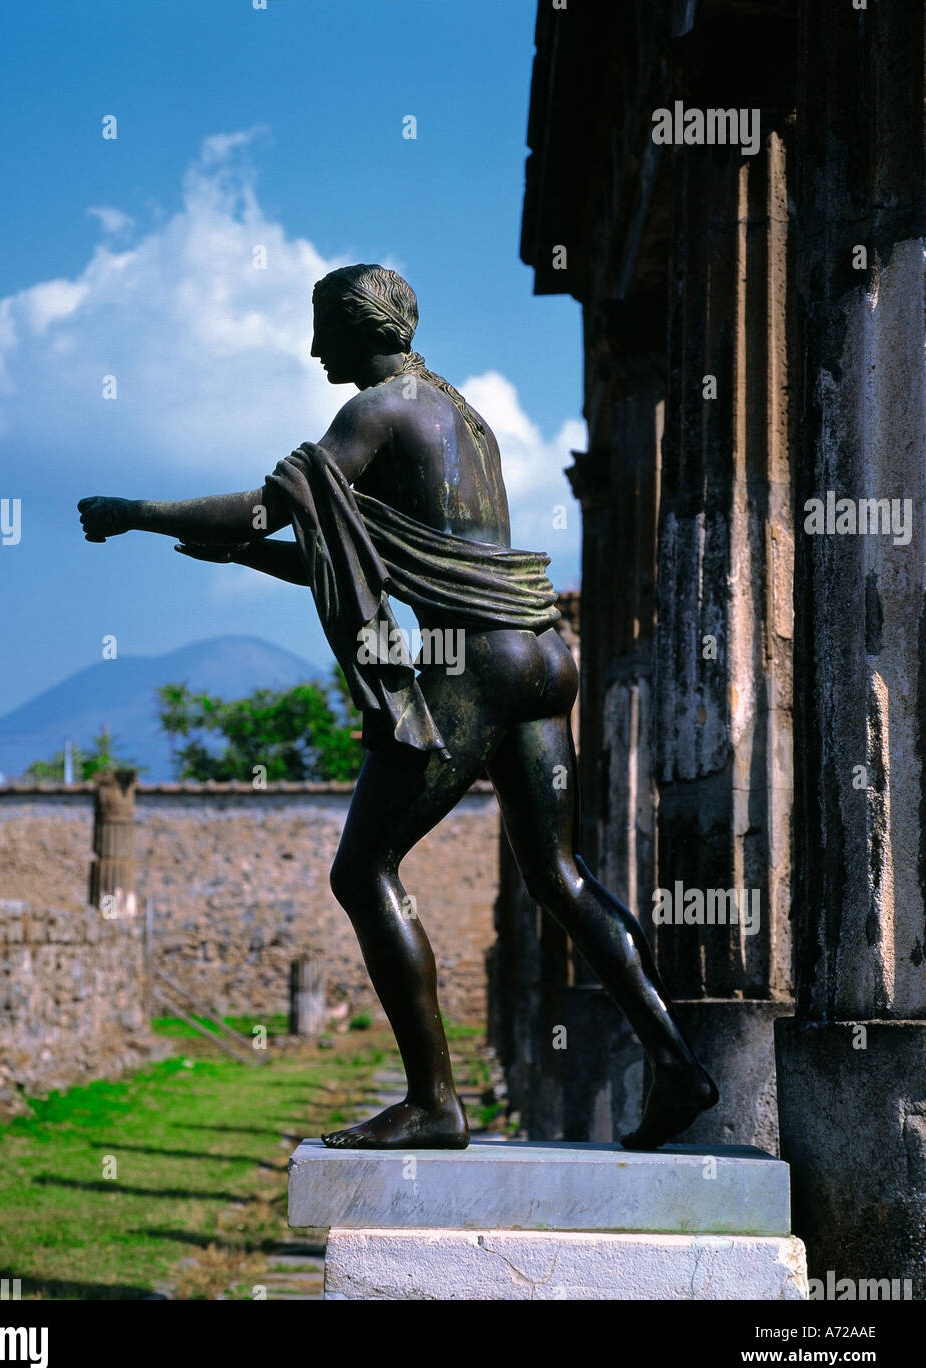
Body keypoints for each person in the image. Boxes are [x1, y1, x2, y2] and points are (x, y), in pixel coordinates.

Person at [78, 264, 717, 1150]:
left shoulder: (374, 410)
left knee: (363, 871)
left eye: (322, 332)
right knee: (559, 876)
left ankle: (433, 1102)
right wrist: (236, 559)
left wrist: (134, 511)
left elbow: (270, 509)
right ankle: (679, 1065)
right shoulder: (461, 415)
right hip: (540, 653)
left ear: (357, 327)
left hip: (475, 662)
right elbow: (349, 553)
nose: (313, 351)